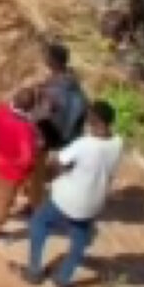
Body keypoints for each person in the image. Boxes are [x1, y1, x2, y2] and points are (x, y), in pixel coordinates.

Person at [25, 101, 124, 287]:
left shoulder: (84, 144)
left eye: (89, 118)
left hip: (69, 199)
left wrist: (50, 175)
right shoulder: (118, 142)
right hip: (94, 201)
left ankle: (34, 270)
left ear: (94, 121)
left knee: (39, 222)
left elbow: (58, 163)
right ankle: (63, 279)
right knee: (79, 238)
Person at [21, 43, 91, 214]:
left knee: (35, 170)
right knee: (58, 171)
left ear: (53, 61)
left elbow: (44, 112)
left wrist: (27, 119)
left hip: (48, 134)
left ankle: (34, 205)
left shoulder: (53, 89)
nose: (45, 59)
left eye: (47, 56)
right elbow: (85, 107)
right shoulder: (74, 82)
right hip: (69, 135)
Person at [0, 90, 44, 239]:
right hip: (12, 171)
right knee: (5, 202)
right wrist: (28, 171)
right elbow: (27, 158)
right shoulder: (25, 129)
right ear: (30, 108)